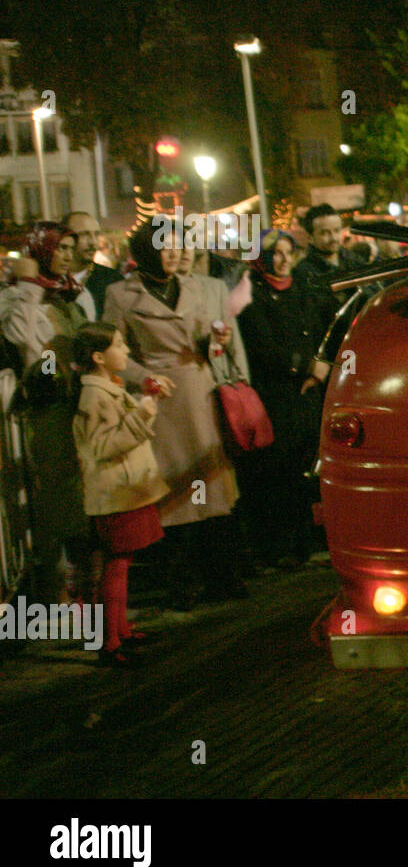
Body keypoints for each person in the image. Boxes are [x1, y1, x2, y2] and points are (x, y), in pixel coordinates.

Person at [103, 224, 245, 606]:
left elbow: (207, 341)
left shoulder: (195, 286)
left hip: (199, 391)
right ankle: (182, 582)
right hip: (159, 400)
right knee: (172, 492)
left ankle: (223, 575)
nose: (172, 253)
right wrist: (142, 377)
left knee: (211, 484)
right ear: (146, 251)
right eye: (164, 247)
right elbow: (115, 351)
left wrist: (217, 342)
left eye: (177, 246)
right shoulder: (120, 293)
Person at [0, 223, 92, 602]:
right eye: (60, 248)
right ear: (40, 252)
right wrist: (27, 288)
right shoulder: (18, 295)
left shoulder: (71, 294)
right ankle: (54, 591)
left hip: (79, 402)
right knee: (52, 500)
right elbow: (20, 336)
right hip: (44, 408)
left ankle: (85, 589)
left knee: (81, 499)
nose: (68, 255)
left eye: (71, 247)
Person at [71, 323, 168, 668]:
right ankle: (109, 640)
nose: (126, 350)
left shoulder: (106, 388)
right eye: (119, 345)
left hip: (125, 490)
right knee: (116, 565)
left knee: (121, 563)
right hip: (116, 492)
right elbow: (102, 446)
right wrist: (142, 414)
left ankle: (120, 628)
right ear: (99, 357)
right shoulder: (94, 396)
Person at [237, 229, 336, 564]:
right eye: (275, 253)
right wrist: (301, 368)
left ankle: (307, 540)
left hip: (309, 391)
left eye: (287, 253)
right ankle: (282, 545)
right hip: (275, 394)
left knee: (307, 462)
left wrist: (320, 367)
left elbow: (326, 331)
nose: (283, 260)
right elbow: (262, 346)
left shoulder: (304, 290)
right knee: (279, 471)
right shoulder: (252, 294)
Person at [292, 204, 367, 307]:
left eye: (336, 230)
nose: (333, 238)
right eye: (324, 233)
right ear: (310, 237)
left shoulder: (354, 260)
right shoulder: (303, 273)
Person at [63, 211, 122, 319]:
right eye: (84, 235)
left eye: (96, 234)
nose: (93, 242)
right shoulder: (50, 280)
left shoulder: (112, 280)